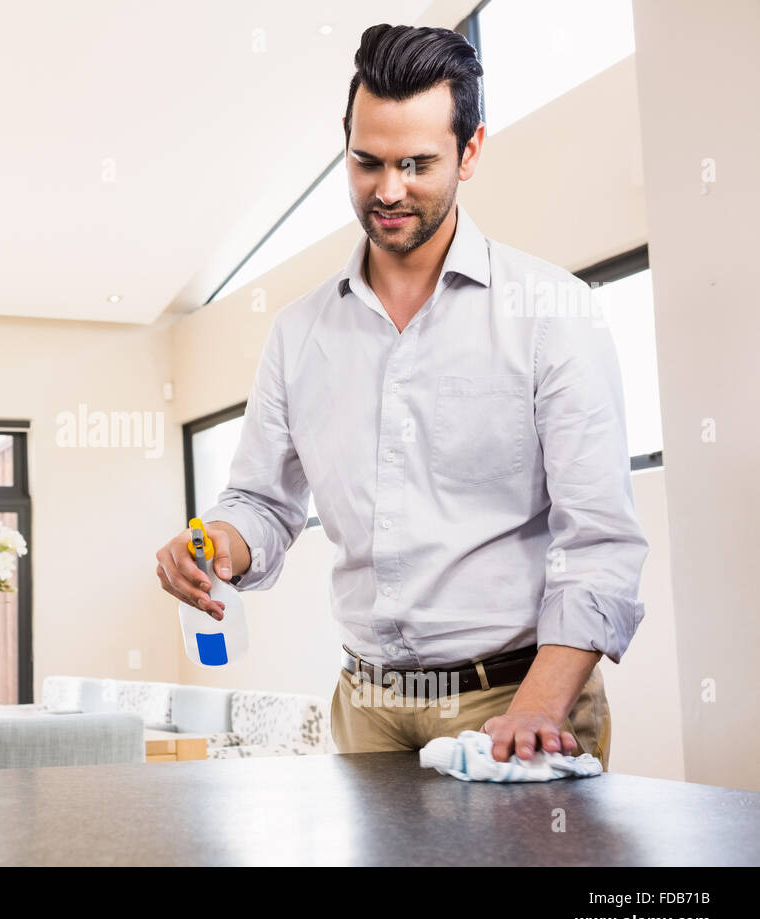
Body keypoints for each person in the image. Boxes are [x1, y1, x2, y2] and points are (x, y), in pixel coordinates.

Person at [155, 24, 648, 771]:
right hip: (365, 708)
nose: (388, 191)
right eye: (368, 162)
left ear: (470, 151)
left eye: (417, 164)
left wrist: (540, 707)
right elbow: (260, 500)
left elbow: (600, 543)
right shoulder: (298, 334)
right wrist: (220, 543)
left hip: (514, 699)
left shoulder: (553, 314)